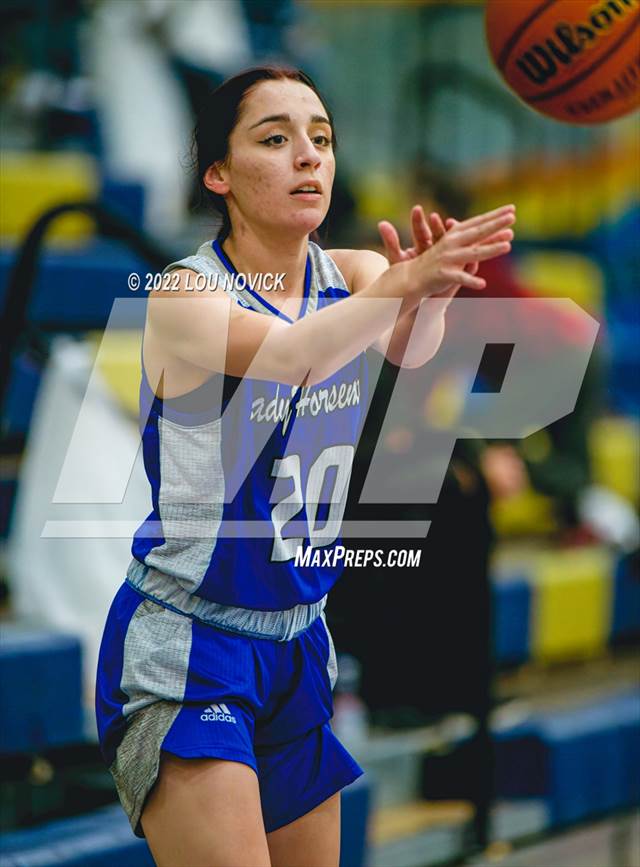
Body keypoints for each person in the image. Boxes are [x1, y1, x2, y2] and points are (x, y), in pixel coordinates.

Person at [94, 65, 515, 867]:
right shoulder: (184, 294)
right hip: (192, 642)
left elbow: (407, 350)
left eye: (321, 138)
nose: (309, 157)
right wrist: (400, 292)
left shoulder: (352, 273)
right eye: (276, 139)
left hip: (299, 638)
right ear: (218, 174)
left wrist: (426, 299)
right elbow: (290, 356)